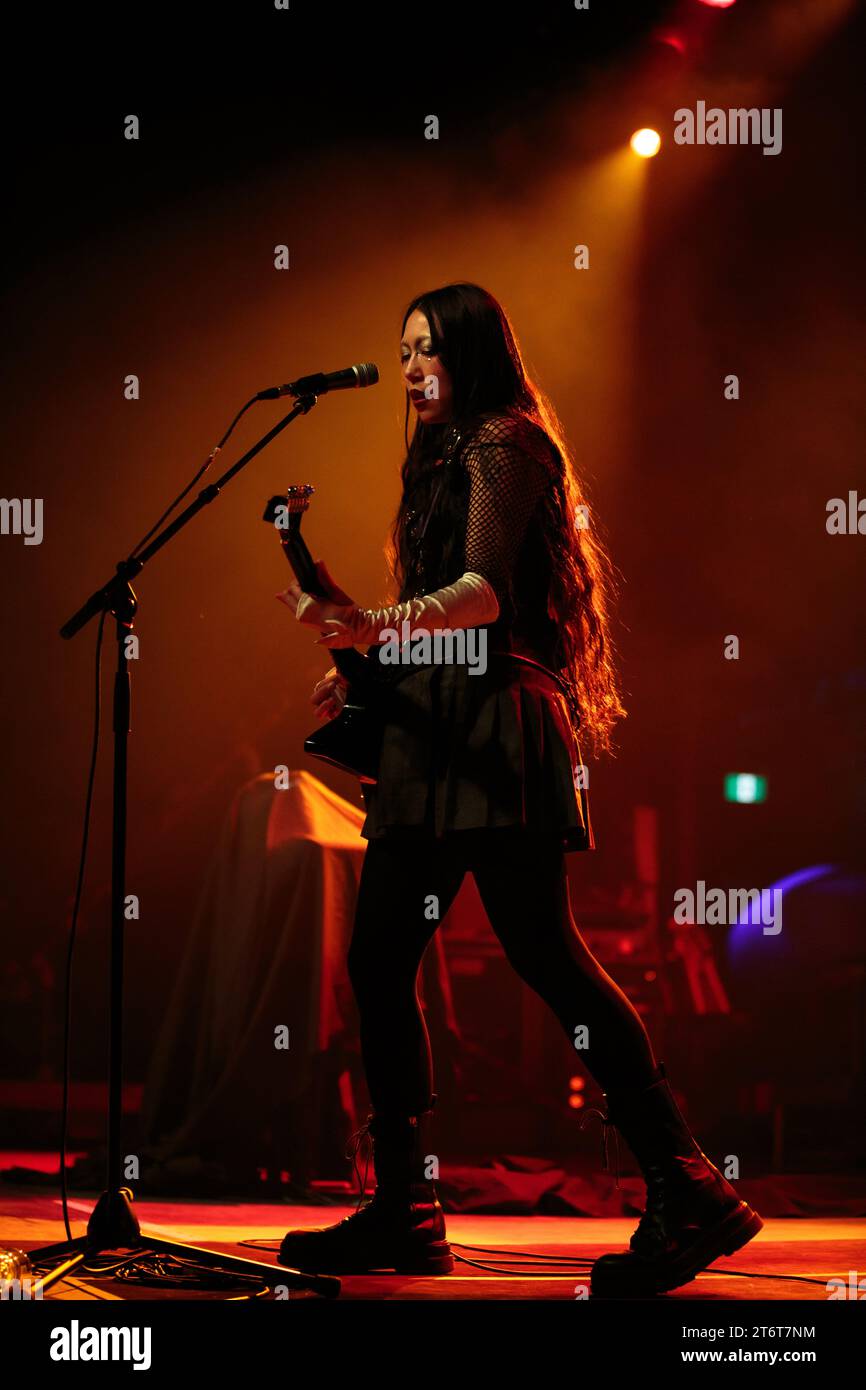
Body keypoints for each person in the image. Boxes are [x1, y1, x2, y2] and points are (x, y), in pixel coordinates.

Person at [274, 282, 762, 1296]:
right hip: (436, 730)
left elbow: (486, 595)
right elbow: (429, 614)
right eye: (400, 349)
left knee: (545, 952)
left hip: (494, 725)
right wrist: (364, 665)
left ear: (470, 350)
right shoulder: (434, 454)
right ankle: (408, 1206)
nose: (408, 368)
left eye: (425, 349)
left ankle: (687, 1183)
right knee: (379, 957)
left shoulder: (506, 440)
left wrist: (373, 627)